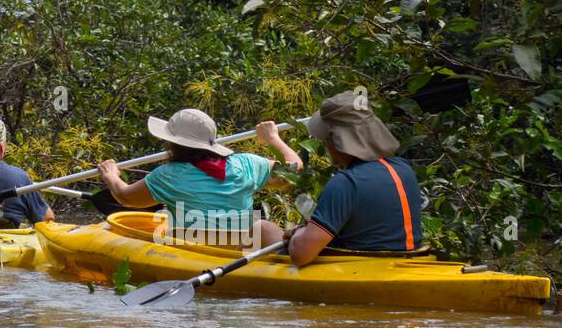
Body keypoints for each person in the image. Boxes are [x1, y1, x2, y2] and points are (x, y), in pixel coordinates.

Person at [96, 108, 301, 247]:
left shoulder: (168, 176)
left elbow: (126, 197)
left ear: (173, 143)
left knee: (167, 229)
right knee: (264, 227)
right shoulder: (246, 164)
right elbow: (293, 171)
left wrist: (111, 175)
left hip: (194, 249)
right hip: (238, 249)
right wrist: (273, 138)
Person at [283, 91, 424, 266]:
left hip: (359, 267)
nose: (326, 145)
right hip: (406, 262)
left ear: (338, 140)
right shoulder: (403, 168)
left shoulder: (345, 182)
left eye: (327, 138)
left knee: (262, 228)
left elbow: (301, 255)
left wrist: (298, 233)